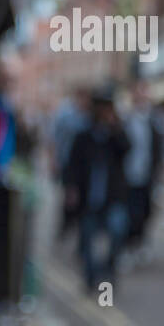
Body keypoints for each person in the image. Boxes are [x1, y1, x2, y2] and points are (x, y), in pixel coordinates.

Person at [64, 85, 130, 292]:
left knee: (118, 232)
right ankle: (91, 277)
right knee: (87, 241)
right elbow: (72, 165)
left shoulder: (115, 134)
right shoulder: (83, 136)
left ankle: (108, 269)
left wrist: (115, 128)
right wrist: (71, 189)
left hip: (113, 197)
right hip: (89, 198)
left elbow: (127, 149)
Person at [122, 80, 164, 263]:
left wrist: (161, 170)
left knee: (145, 211)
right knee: (128, 212)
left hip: (147, 175)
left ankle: (140, 243)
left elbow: (161, 147)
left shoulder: (156, 120)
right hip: (127, 175)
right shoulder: (126, 119)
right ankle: (128, 245)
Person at [50, 87, 91, 241]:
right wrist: (53, 159)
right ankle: (66, 224)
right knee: (69, 195)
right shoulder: (66, 114)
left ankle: (76, 225)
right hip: (66, 162)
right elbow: (55, 138)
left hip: (83, 166)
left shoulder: (89, 115)